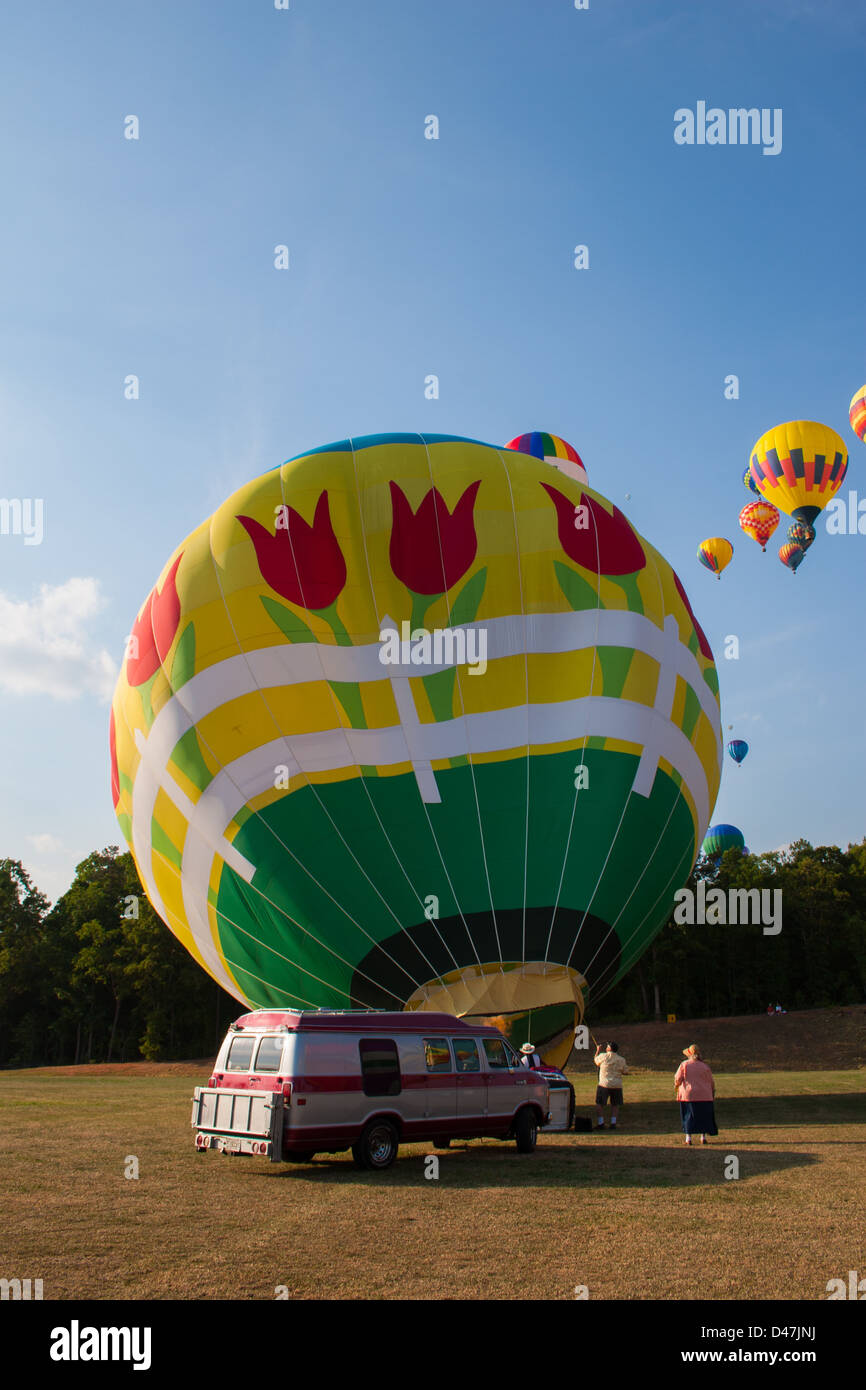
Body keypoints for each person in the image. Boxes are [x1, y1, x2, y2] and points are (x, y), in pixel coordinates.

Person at [674, 1044, 718, 1146]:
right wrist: (712, 1092)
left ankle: (688, 1138)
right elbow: (711, 1081)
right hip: (705, 1095)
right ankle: (703, 1137)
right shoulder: (705, 1066)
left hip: (689, 1095)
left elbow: (678, 1078)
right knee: (703, 1116)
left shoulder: (684, 1065)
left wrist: (676, 1085)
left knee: (688, 1116)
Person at [593, 1041, 629, 1129]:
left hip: (604, 1084)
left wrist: (597, 1050)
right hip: (617, 1085)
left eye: (607, 1046)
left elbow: (596, 1060)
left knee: (599, 1104)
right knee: (615, 1104)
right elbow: (626, 1072)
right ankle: (613, 1123)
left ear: (609, 1048)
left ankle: (601, 1123)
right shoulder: (621, 1059)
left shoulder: (603, 1056)